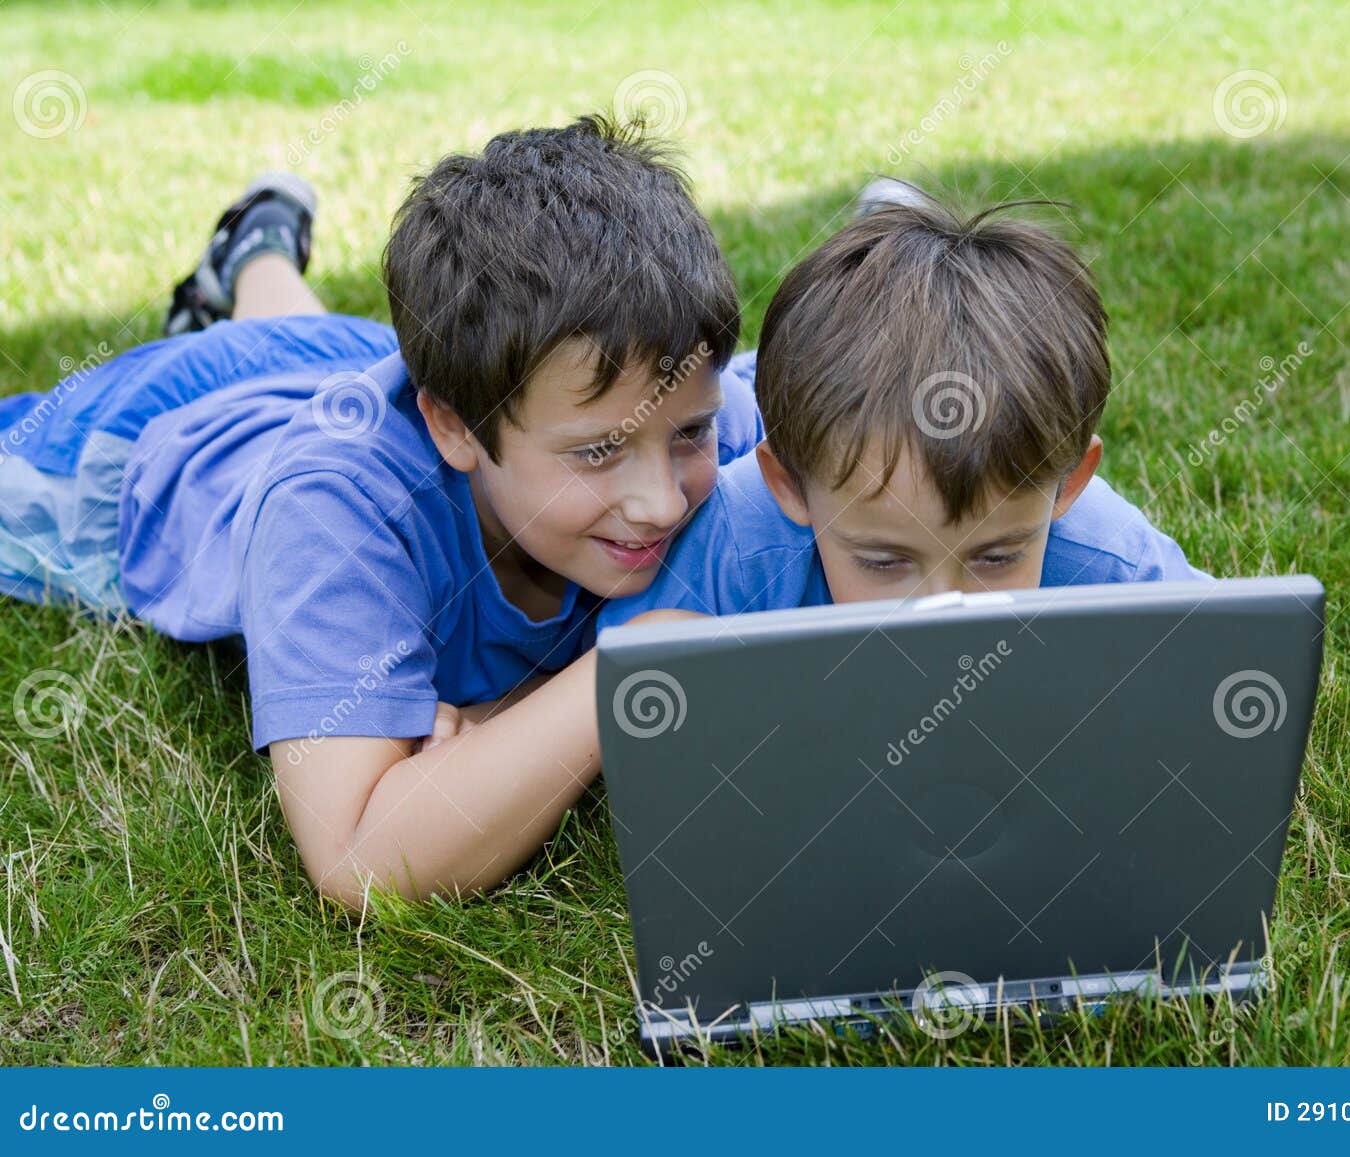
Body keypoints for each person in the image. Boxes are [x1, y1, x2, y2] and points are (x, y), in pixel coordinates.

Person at [0, 116, 758, 904]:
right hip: (169, 436)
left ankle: (254, 250)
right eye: (598, 452)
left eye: (691, 433)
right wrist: (622, 670)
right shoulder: (331, 512)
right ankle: (243, 271)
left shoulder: (649, 399)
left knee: (306, 337)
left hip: (337, 363)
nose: (662, 500)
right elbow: (361, 858)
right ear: (454, 427)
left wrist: (500, 719)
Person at [599, 185, 1207, 631]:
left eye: (996, 557)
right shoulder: (733, 546)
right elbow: (627, 684)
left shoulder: (1106, 554)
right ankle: (887, 229)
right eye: (884, 562)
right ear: (788, 486)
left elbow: (1229, 652)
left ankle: (893, 226)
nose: (940, 613)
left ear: (1069, 483)